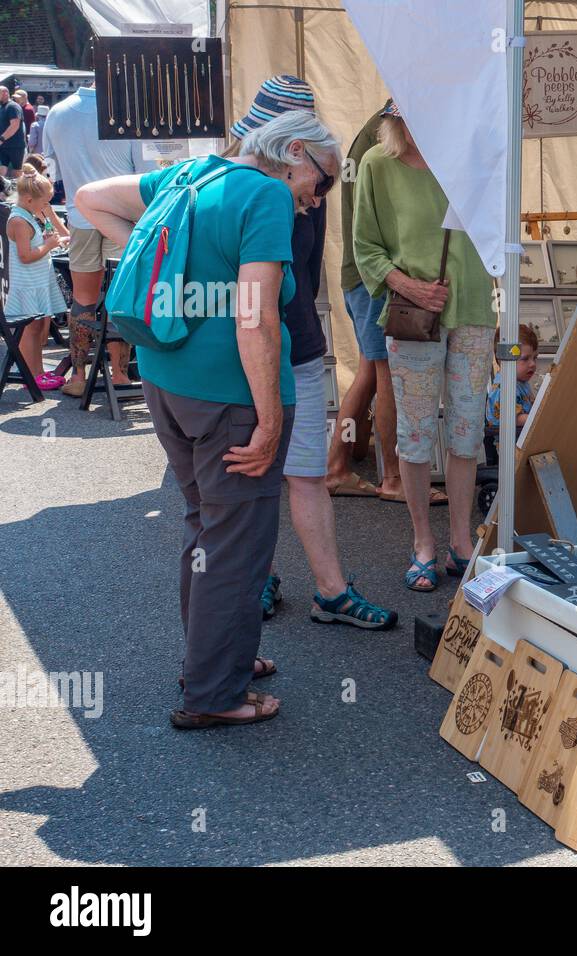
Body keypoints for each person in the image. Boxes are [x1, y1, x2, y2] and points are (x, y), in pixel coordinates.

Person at [77, 110, 340, 728]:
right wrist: (272, 421)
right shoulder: (267, 197)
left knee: (207, 528)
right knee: (236, 544)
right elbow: (254, 318)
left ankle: (215, 659)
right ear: (295, 151)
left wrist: (170, 258)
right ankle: (213, 693)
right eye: (323, 181)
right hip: (231, 397)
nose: (318, 197)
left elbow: (89, 198)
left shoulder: (190, 174)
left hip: (168, 381)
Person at [227, 77, 394, 630]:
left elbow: (294, 273)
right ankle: (266, 580)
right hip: (257, 349)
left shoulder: (292, 185)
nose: (314, 190)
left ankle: (329, 590)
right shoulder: (251, 183)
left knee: (298, 470)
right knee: (259, 474)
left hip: (286, 343)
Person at [353, 101, 496, 590]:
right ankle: (422, 543)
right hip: (415, 315)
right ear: (395, 117)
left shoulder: (470, 160)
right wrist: (409, 287)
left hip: (474, 307)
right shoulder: (377, 164)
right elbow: (365, 247)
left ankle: (459, 541)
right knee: (414, 434)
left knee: (466, 428)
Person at [325, 98, 440, 505]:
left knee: (373, 372)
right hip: (375, 274)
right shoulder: (388, 128)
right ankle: (390, 475)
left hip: (365, 272)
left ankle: (340, 463)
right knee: (385, 370)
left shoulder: (378, 125)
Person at [41, 81, 152, 397]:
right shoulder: (126, 113)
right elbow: (144, 175)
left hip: (80, 215)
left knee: (83, 298)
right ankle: (119, 372)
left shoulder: (58, 112)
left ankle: (78, 375)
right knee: (122, 295)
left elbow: (51, 172)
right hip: (121, 214)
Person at [3, 164, 69, 391]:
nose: (47, 206)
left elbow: (63, 235)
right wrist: (48, 245)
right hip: (27, 283)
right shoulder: (19, 221)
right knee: (30, 330)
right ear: (29, 200)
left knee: (38, 326)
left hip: (37, 280)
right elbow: (25, 256)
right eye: (44, 202)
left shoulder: (28, 214)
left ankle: (38, 371)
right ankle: (31, 374)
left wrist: (48, 219)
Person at [485, 324, 538, 449]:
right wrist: (541, 419)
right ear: (503, 361)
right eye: (525, 359)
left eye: (535, 358)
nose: (532, 364)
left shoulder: (521, 383)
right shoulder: (504, 387)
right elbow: (514, 418)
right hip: (510, 449)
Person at [0, 87, 25, 179]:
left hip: (15, 146)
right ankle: (3, 191)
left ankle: (17, 192)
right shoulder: (2, 107)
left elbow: (15, 125)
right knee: (2, 172)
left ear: (5, 93)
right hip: (4, 146)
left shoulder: (13, 106)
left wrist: (1, 139)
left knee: (16, 172)